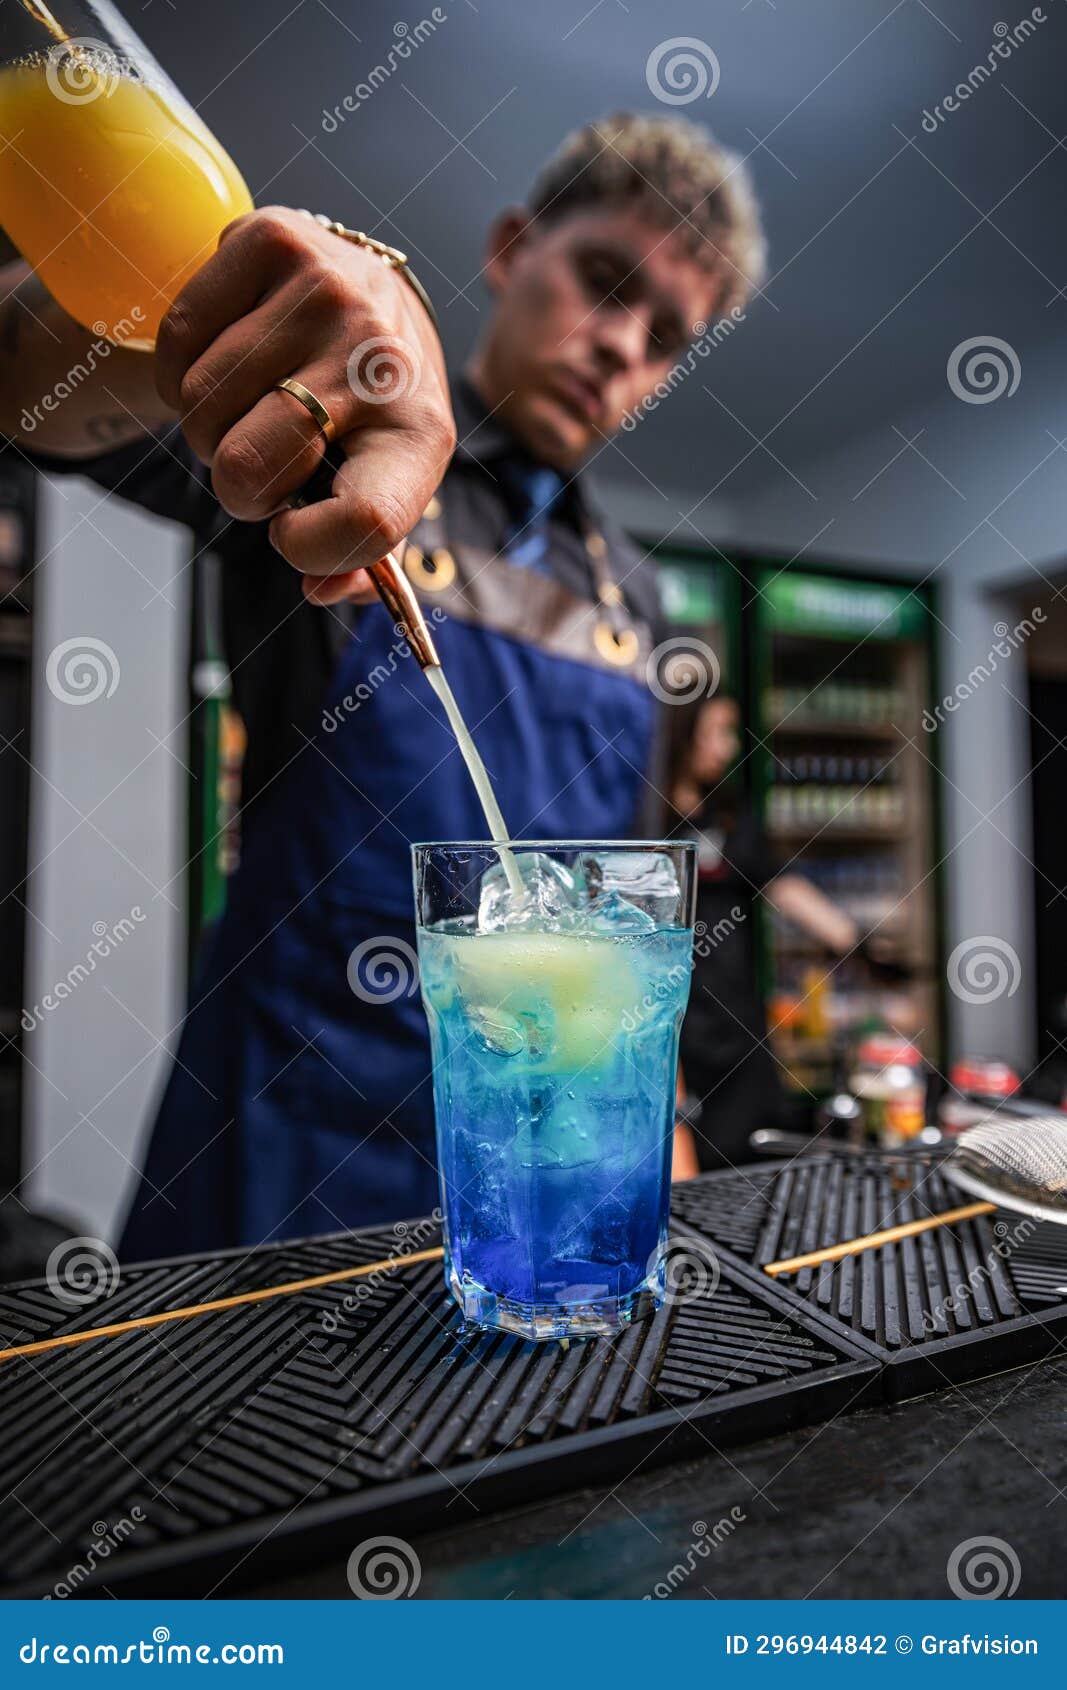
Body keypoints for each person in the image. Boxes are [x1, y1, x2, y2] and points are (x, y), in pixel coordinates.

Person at [1, 113, 766, 1254]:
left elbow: (624, 920)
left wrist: (655, 1130)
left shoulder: (641, 608)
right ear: (512, 249)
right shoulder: (338, 450)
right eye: (603, 282)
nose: (621, 347)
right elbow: (25, 393)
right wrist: (223, 331)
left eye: (665, 337)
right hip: (283, 1141)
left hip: (521, 1181)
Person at [666, 692, 901, 1170]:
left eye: (730, 733)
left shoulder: (729, 814)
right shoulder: (645, 815)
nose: (726, 747)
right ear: (680, 733)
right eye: (714, 732)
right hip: (672, 1016)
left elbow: (781, 884)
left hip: (735, 1018)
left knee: (748, 1151)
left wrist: (855, 943)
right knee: (681, 1154)